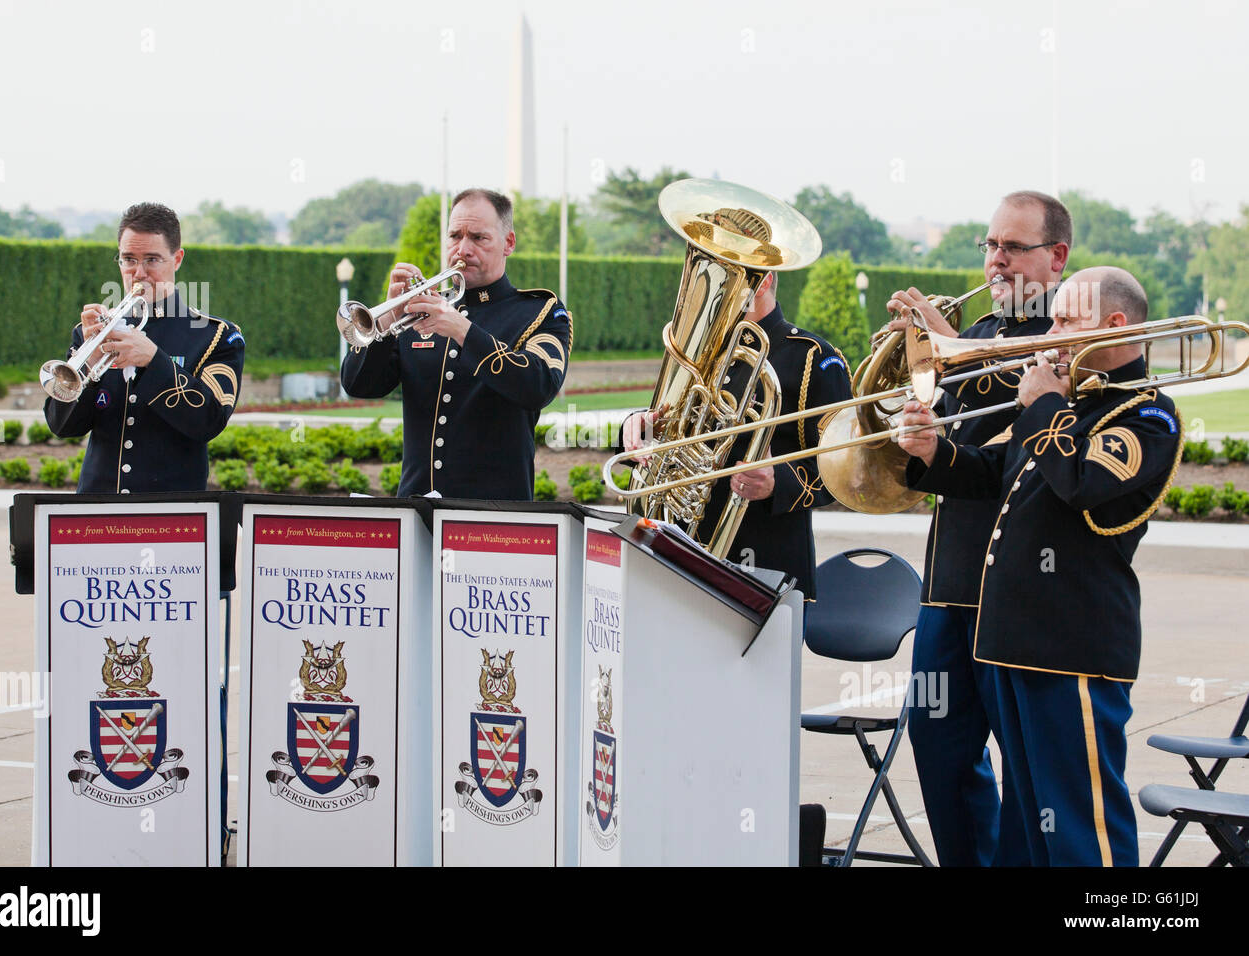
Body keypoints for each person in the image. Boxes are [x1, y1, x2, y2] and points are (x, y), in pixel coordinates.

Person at [898, 266, 1180, 866]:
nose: (1048, 333)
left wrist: (1044, 405)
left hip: (1071, 646)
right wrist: (931, 452)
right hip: (1012, 642)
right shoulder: (1066, 406)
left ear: (1115, 325)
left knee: (1081, 828)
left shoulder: (1147, 415)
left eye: (1065, 320)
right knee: (1027, 833)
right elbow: (993, 476)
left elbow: (1081, 483)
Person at [885, 191, 1071, 866]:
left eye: (1012, 247)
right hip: (949, 580)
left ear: (1056, 257)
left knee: (1027, 767)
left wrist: (950, 347)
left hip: (1022, 589)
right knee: (937, 745)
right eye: (989, 245)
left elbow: (1016, 421)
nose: (995, 260)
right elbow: (959, 449)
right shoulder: (978, 336)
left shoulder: (1069, 336)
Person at [621, 271, 852, 602]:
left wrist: (778, 482)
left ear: (764, 280)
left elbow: (841, 469)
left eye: (728, 274)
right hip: (677, 559)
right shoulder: (700, 353)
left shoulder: (814, 358)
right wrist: (636, 427)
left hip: (765, 566)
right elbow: (666, 425)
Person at [341, 188, 570, 500]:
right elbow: (358, 385)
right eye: (455, 236)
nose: (463, 249)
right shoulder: (421, 309)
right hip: (415, 512)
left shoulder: (540, 311)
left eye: (478, 237)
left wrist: (464, 331)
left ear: (509, 243)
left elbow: (539, 386)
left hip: (495, 519)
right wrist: (386, 318)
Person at [44, 202, 244, 493]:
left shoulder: (216, 336)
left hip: (173, 513)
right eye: (128, 259)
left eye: (152, 259)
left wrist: (153, 360)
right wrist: (88, 363)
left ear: (177, 259)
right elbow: (61, 426)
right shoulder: (92, 333)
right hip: (97, 511)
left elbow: (209, 423)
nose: (138, 273)